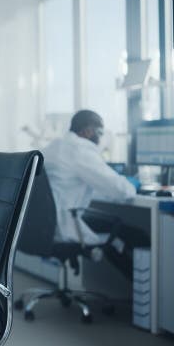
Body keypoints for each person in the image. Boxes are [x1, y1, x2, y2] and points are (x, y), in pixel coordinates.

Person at [41, 109, 147, 278]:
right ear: (88, 131)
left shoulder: (54, 147)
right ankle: (145, 297)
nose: (100, 137)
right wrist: (132, 183)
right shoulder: (80, 150)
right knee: (136, 236)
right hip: (65, 225)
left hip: (45, 226)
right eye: (100, 132)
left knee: (115, 234)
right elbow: (123, 191)